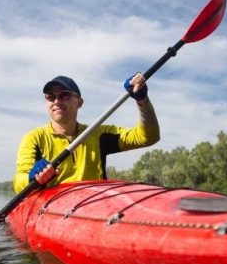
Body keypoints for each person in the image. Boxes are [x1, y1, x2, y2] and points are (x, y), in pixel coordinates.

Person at [13, 74, 159, 193]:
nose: (56, 101)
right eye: (50, 96)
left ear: (80, 102)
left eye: (64, 95)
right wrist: (32, 178)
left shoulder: (97, 133)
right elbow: (19, 183)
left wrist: (142, 100)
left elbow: (147, 137)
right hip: (51, 209)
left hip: (94, 203)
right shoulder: (33, 138)